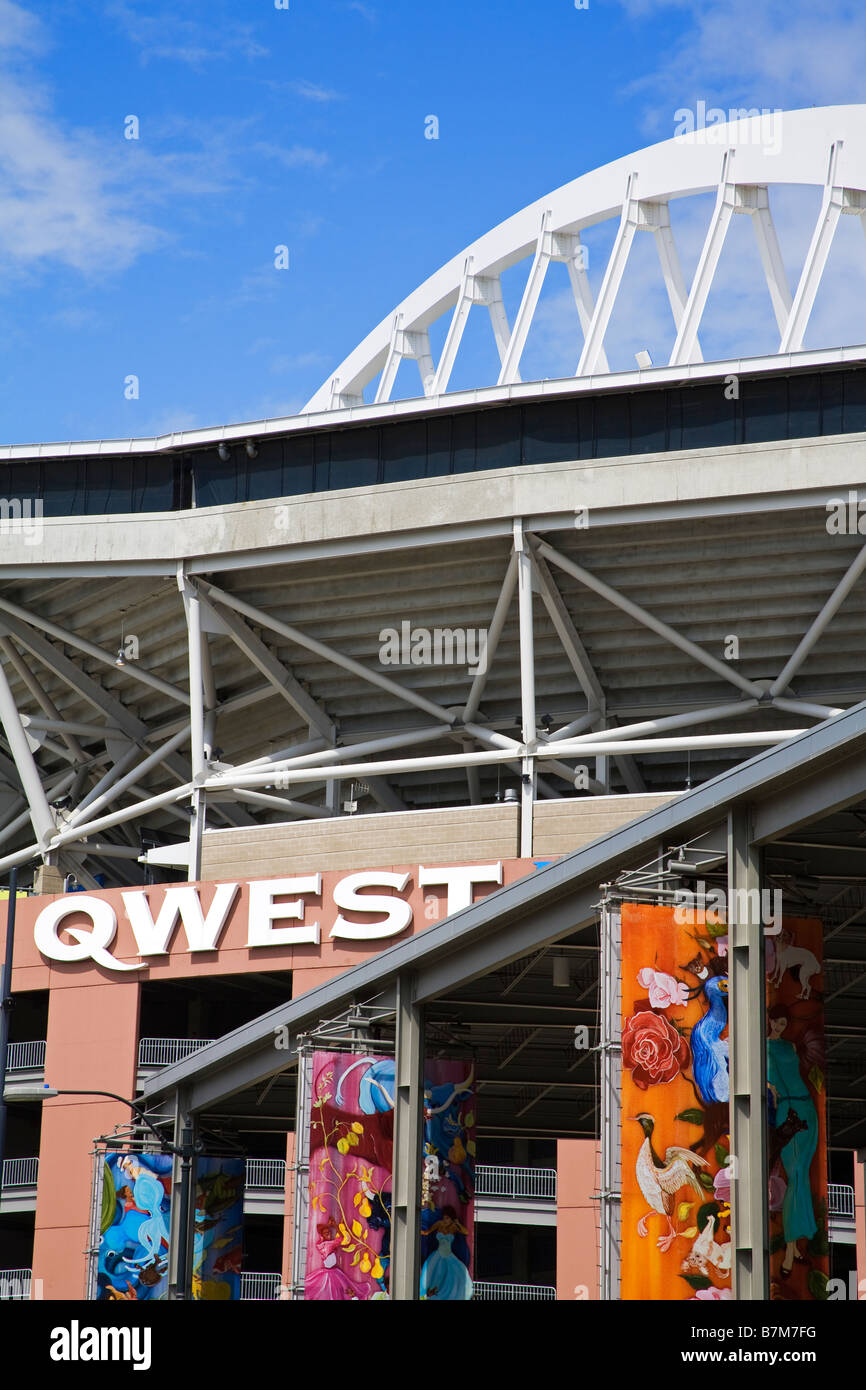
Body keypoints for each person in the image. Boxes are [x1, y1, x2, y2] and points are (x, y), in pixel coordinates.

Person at [766, 1007, 819, 1278]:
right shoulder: (761, 1047)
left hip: (806, 1108)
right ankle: (789, 1249)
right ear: (770, 1021)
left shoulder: (790, 1047)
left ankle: (795, 1247)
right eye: (777, 1021)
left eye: (784, 1022)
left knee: (802, 1177)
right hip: (787, 1111)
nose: (780, 1026)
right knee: (796, 1175)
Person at [419, 1207, 472, 1300]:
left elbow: (466, 1232)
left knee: (452, 1277)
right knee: (435, 1274)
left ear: (452, 1218)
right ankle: (431, 1294)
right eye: (444, 1218)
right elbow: (427, 1232)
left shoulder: (454, 1227)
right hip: (438, 1255)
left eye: (447, 1218)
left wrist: (458, 1223)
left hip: (448, 1255)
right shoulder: (439, 1224)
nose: (445, 1220)